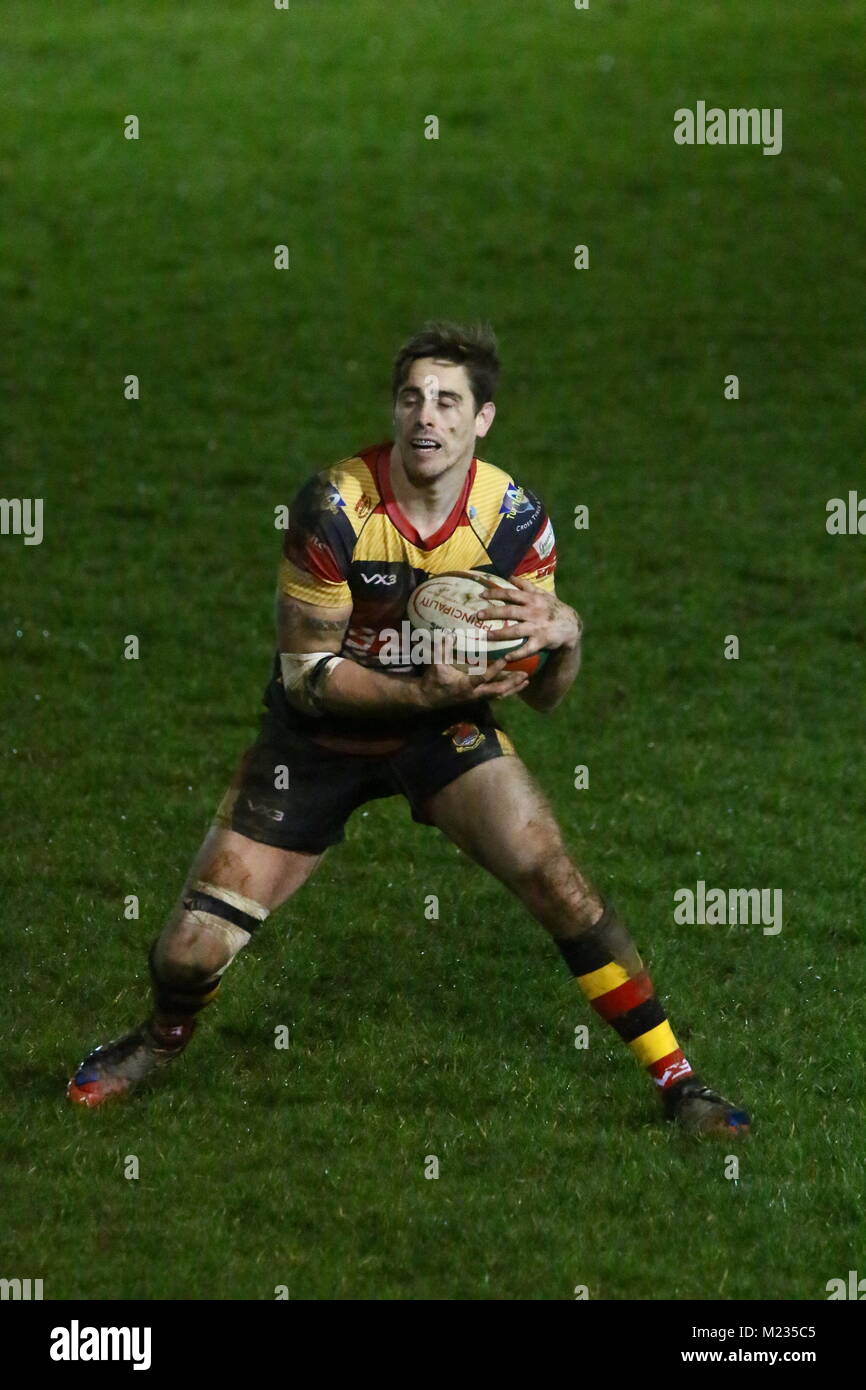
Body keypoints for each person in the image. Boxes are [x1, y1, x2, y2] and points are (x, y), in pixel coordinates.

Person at [69, 321, 750, 1137]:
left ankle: (679, 1081)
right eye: (412, 398)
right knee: (188, 952)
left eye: (448, 402)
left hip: (441, 731)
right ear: (395, 410)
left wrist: (568, 637)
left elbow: (544, 697)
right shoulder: (334, 508)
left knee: (558, 881)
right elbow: (308, 679)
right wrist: (423, 687)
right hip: (316, 741)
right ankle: (160, 1040)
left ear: (482, 419)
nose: (427, 416)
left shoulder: (514, 522)